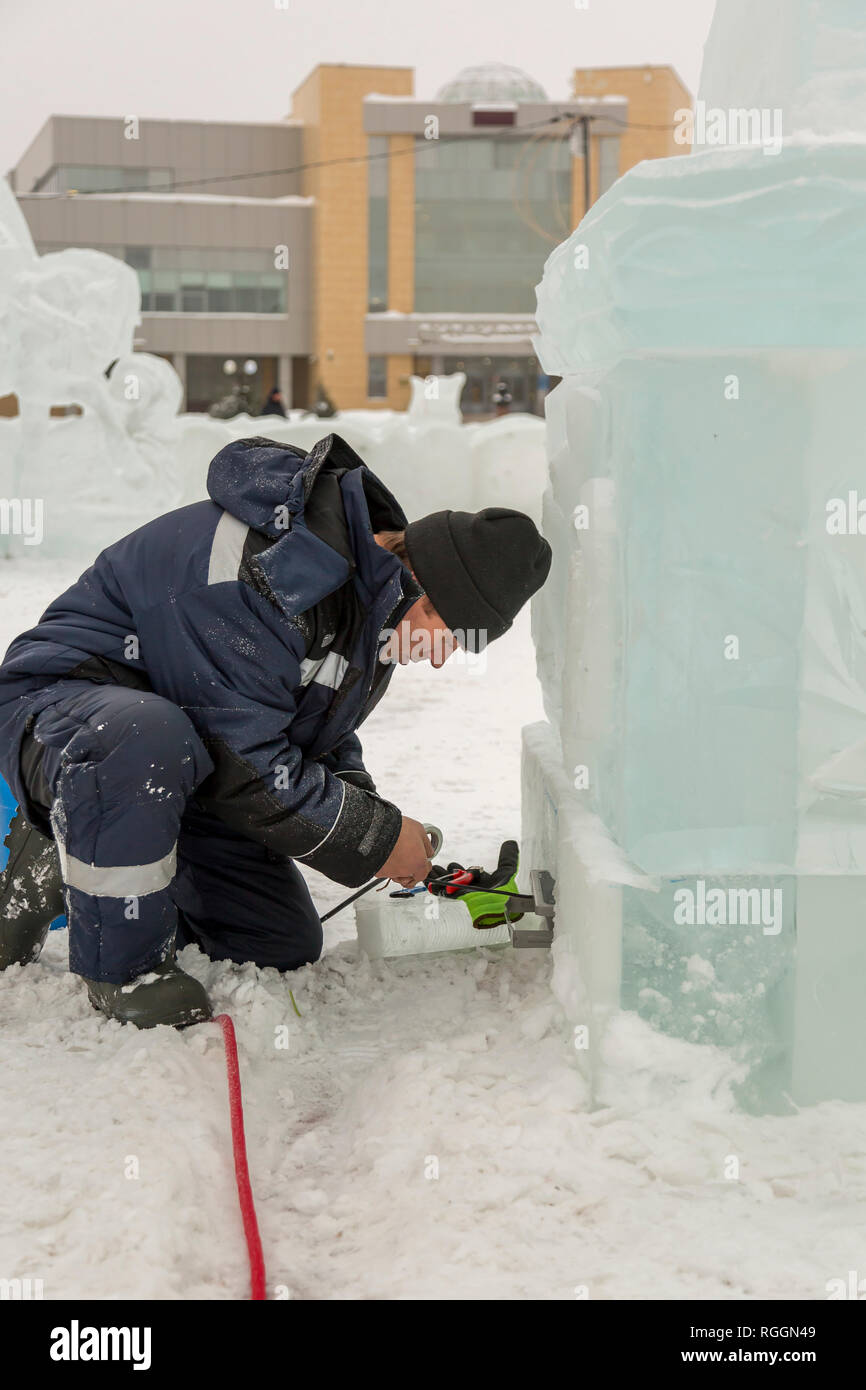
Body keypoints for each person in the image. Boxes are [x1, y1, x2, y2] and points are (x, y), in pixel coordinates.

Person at [0, 434, 551, 1028]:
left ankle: (110, 846)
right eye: (451, 631)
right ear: (423, 584)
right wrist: (374, 837)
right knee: (146, 736)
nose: (442, 657)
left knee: (275, 941)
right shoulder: (265, 572)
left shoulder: (369, 607)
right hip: (71, 714)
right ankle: (123, 966)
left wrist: (373, 816)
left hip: (190, 761)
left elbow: (311, 732)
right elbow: (241, 755)